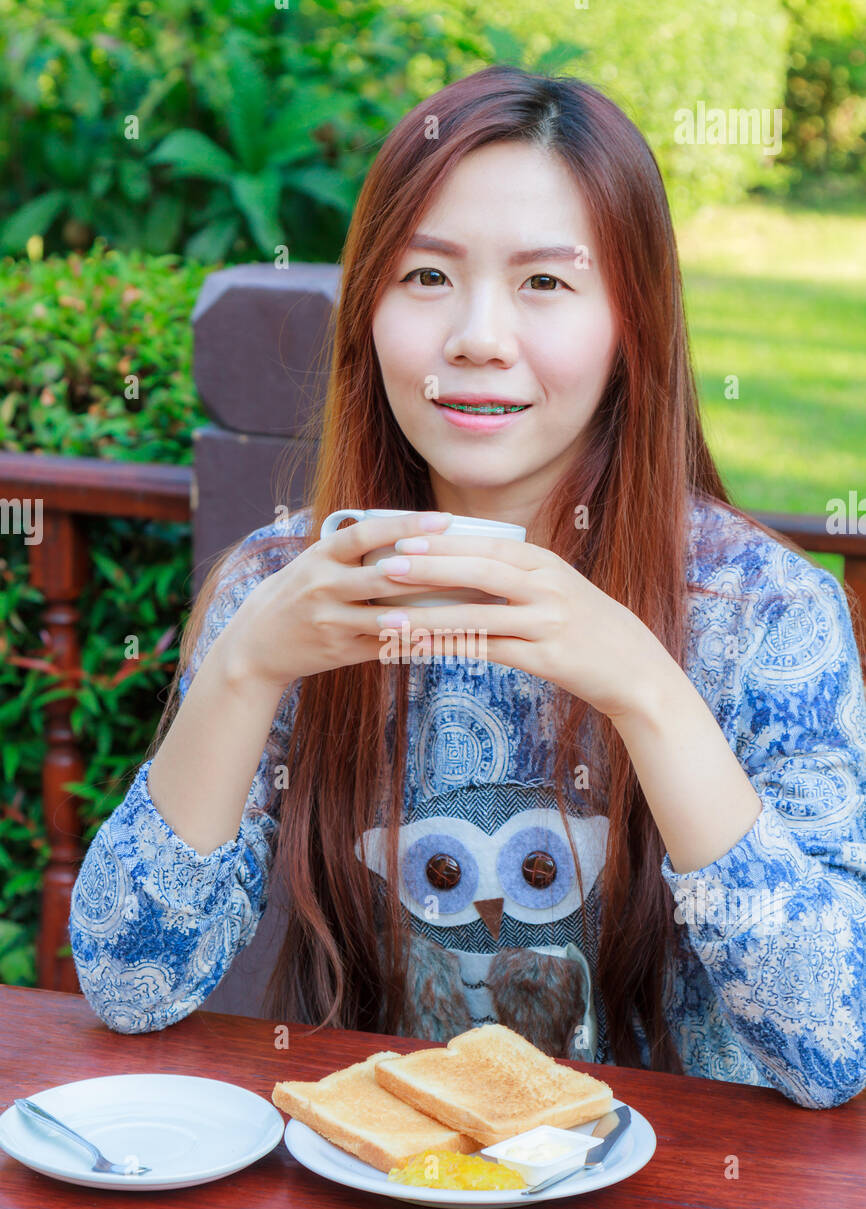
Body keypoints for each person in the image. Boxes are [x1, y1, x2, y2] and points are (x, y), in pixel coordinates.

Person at [69, 66, 866, 1109]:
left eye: (545, 282)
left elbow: (833, 1045)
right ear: (367, 311)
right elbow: (130, 984)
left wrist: (646, 689)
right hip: (386, 1200)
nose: (476, 337)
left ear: (631, 323)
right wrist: (246, 663)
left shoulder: (763, 616)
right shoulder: (288, 595)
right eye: (426, 276)